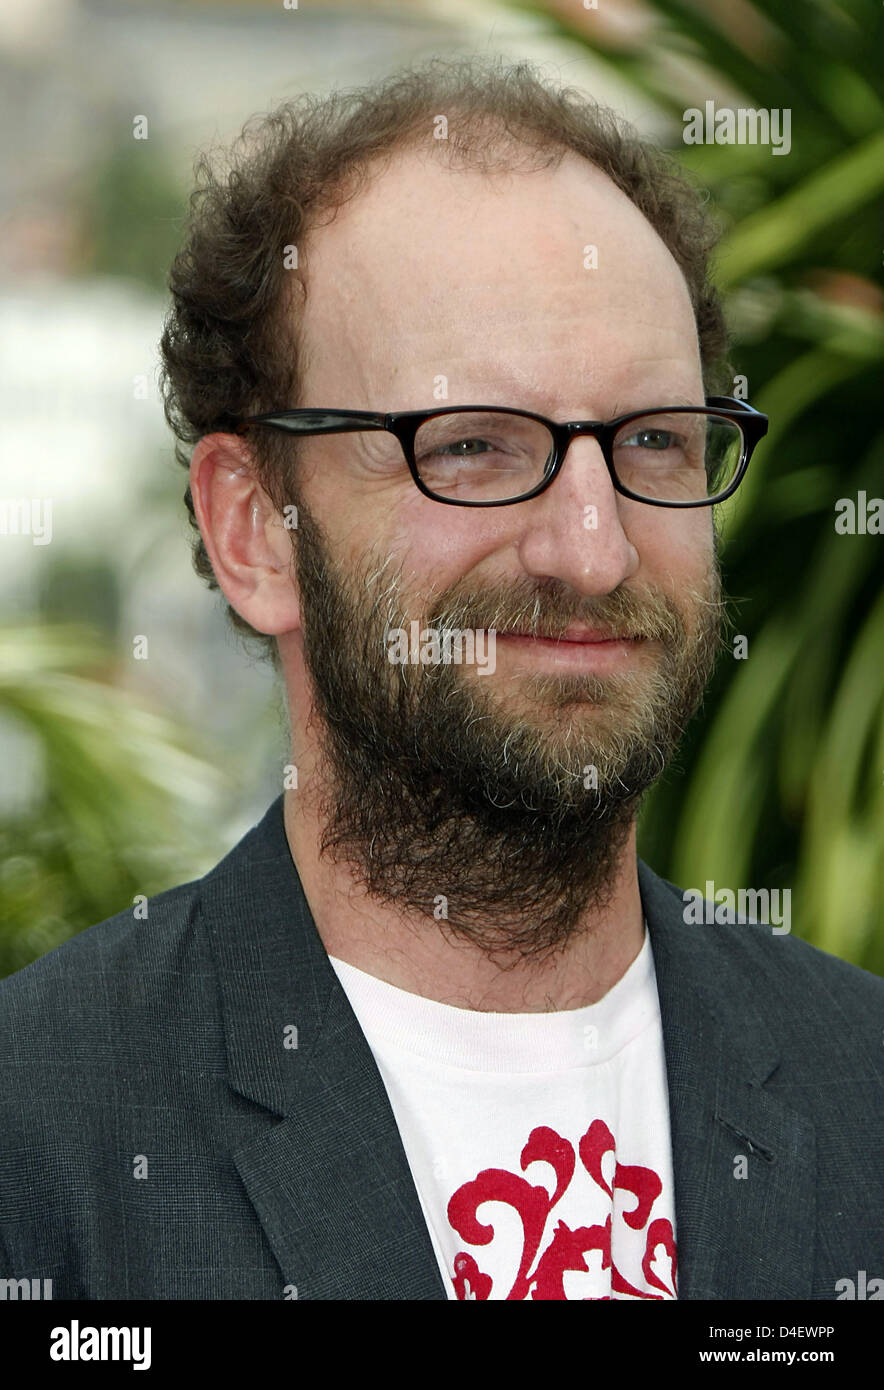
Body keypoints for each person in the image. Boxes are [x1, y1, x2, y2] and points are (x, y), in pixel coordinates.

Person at [0, 56, 880, 1302]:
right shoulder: (43, 1143)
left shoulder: (862, 1089)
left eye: (649, 444)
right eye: (469, 446)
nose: (591, 546)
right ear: (255, 530)